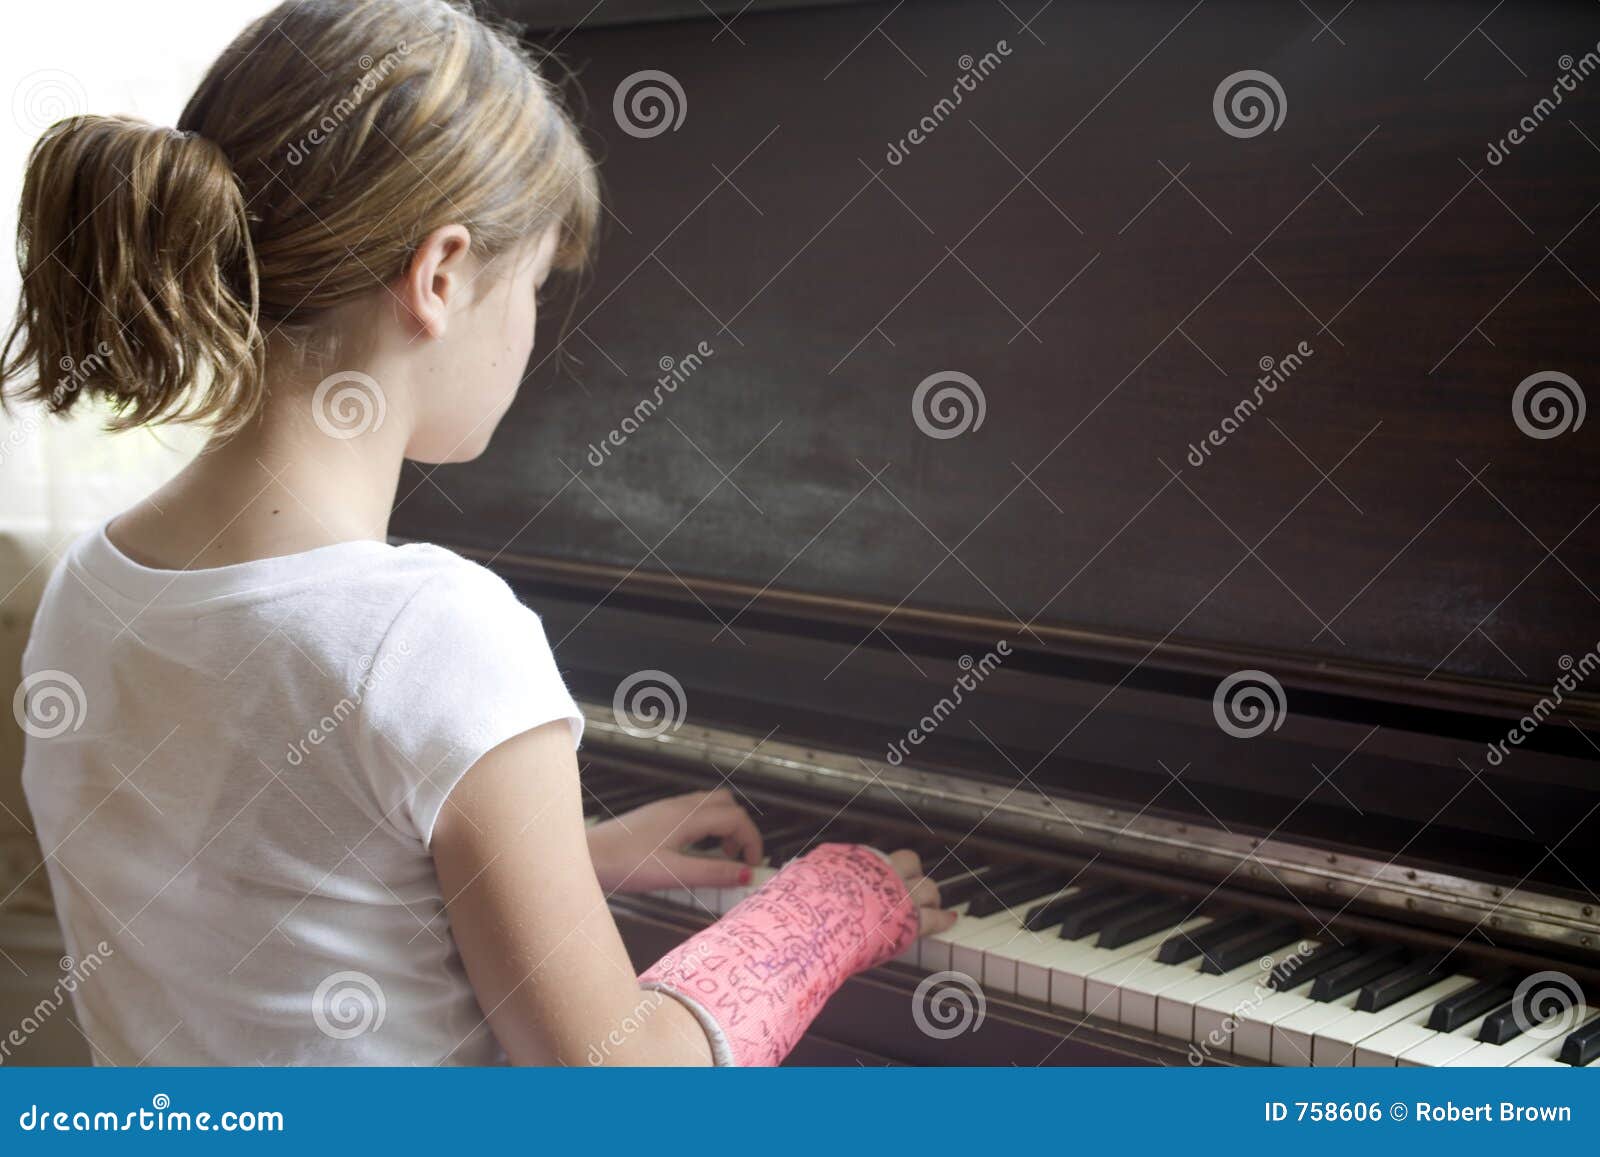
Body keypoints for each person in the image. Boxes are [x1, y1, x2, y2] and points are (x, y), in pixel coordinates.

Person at [1, 0, 952, 1066]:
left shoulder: (87, 589)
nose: (532, 330)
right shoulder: (431, 628)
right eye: (535, 285)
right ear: (442, 275)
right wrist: (817, 914)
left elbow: (272, 890)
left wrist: (567, 857)